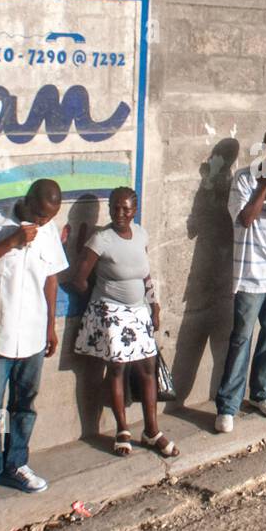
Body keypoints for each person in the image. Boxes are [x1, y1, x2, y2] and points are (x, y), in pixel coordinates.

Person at [0, 179, 68, 518]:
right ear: (26, 200)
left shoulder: (48, 230)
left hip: (33, 334)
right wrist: (13, 241)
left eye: (48, 218)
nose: (42, 222)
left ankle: (16, 464)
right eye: (38, 214)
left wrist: (50, 324)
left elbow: (51, 277)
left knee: (25, 405)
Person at [71, 187, 176, 458]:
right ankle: (122, 430)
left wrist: (154, 305)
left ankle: (152, 430)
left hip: (139, 311)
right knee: (117, 368)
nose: (119, 214)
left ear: (134, 211)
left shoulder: (141, 234)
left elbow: (146, 274)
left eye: (125, 209)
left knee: (147, 367)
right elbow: (80, 278)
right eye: (115, 208)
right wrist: (100, 306)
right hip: (112, 311)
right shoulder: (101, 240)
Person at [213, 127, 266, 433]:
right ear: (262, 149)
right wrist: (263, 187)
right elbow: (244, 219)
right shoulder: (244, 178)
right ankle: (228, 406)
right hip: (250, 274)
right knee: (241, 338)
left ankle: (262, 392)